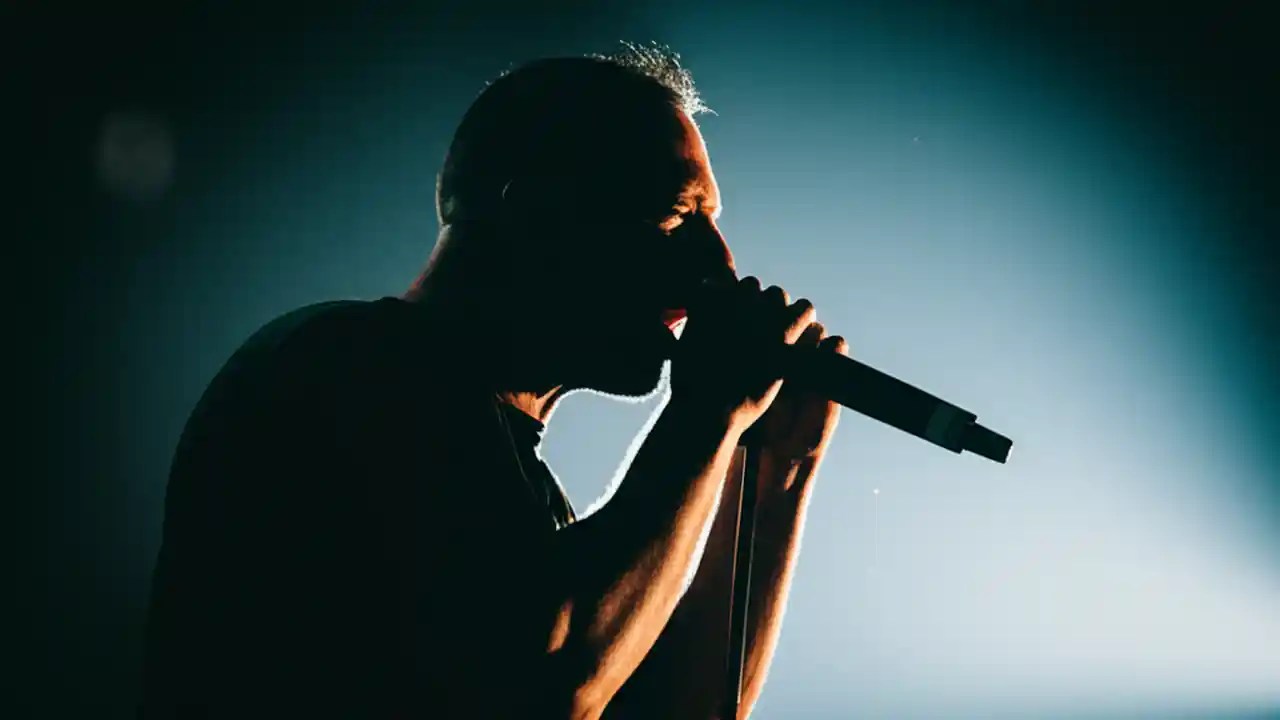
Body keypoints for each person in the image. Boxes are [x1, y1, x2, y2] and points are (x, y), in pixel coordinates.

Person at [140, 42, 848, 719]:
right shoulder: (352, 363)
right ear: (540, 212)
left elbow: (663, 711)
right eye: (676, 216)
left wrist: (777, 472)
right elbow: (543, 686)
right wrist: (706, 415)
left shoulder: (520, 487)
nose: (719, 266)